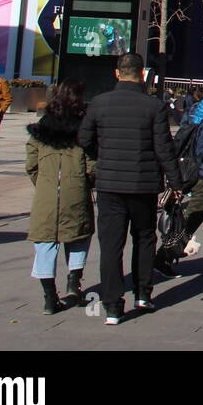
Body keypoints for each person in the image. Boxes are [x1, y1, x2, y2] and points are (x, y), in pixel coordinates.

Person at [77, 53, 183, 325]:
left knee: (111, 245)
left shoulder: (99, 103)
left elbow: (83, 138)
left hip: (109, 184)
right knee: (145, 237)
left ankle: (112, 306)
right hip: (143, 183)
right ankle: (143, 293)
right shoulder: (154, 106)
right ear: (143, 74)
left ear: (117, 73)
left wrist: (103, 156)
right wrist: (176, 181)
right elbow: (164, 148)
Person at [25, 81, 95, 314]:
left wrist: (44, 184)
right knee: (78, 235)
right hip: (75, 188)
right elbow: (91, 166)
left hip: (46, 193)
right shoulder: (83, 130)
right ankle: (74, 283)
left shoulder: (39, 130)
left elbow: (31, 165)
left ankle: (49, 297)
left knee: (45, 242)